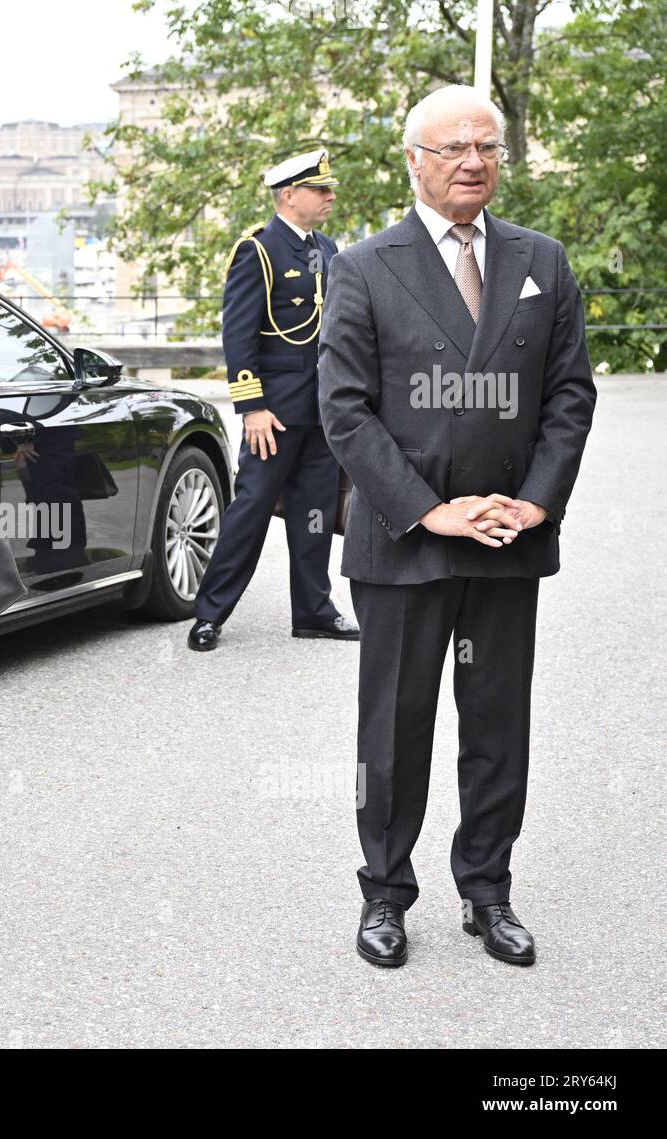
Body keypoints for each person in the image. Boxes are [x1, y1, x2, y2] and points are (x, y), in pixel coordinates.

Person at [318, 85, 597, 968]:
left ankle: (489, 890)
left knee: (497, 722)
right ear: (414, 160)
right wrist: (431, 509)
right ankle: (385, 893)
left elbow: (568, 395)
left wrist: (537, 500)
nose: (472, 161)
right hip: (407, 540)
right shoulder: (364, 266)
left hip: (510, 535)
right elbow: (346, 410)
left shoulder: (542, 260)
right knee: (394, 729)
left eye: (486, 146)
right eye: (452, 149)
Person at [188, 149, 359, 652]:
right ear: (289, 195)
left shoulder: (328, 247)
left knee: (316, 509)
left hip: (323, 404)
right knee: (253, 507)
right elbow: (238, 335)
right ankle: (210, 613)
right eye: (320, 189)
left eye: (329, 189)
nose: (330, 197)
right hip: (276, 410)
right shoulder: (258, 250)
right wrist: (251, 408)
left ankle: (313, 611)